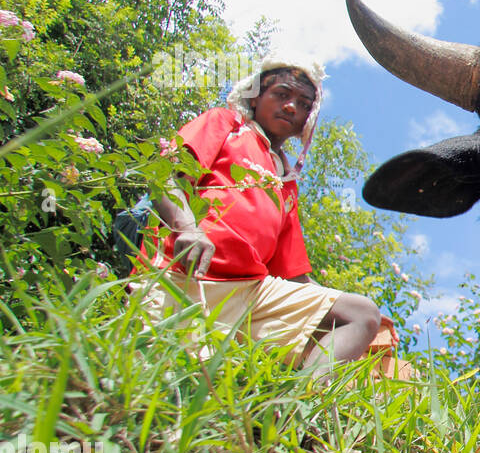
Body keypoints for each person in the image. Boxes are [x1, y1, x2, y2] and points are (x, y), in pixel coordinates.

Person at [140, 55, 381, 377]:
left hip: (251, 292)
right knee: (165, 380)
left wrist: (337, 301)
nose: (292, 107)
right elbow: (164, 175)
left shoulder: (285, 181)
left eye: (304, 103)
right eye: (281, 94)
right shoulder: (225, 125)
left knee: (360, 314)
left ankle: (301, 411)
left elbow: (293, 273)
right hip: (183, 275)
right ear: (255, 96)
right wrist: (187, 227)